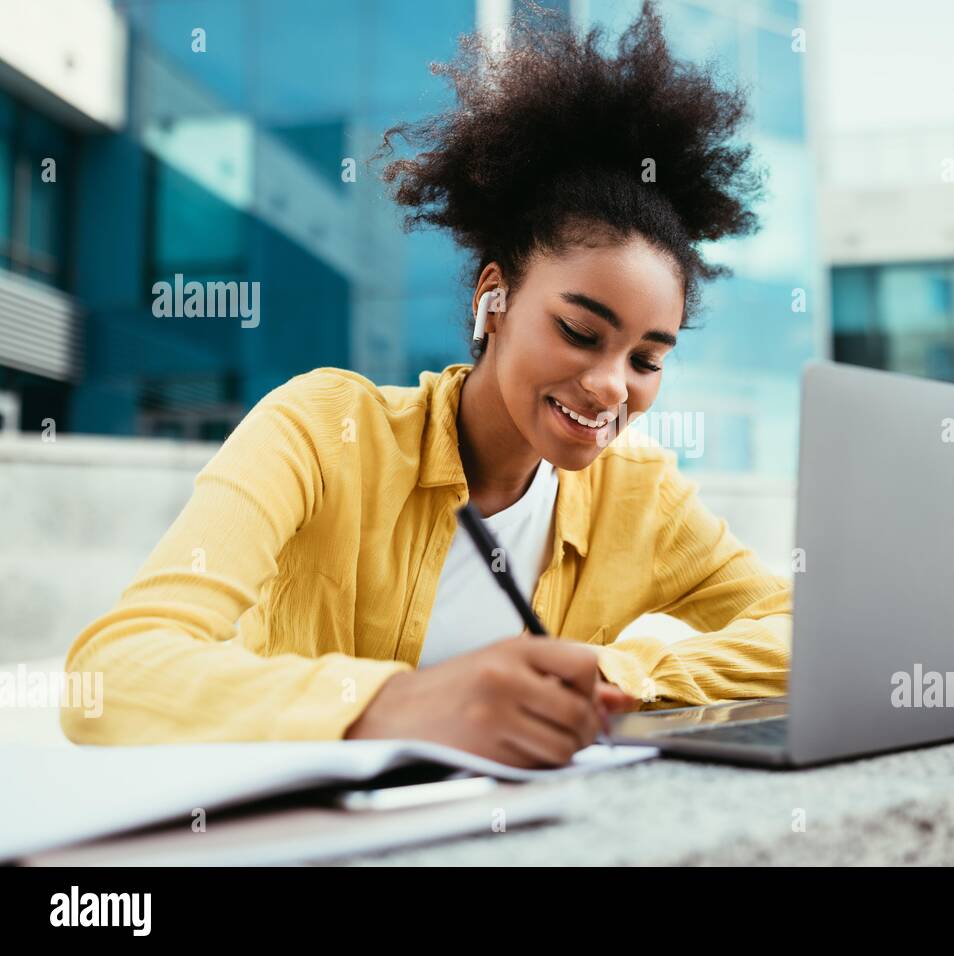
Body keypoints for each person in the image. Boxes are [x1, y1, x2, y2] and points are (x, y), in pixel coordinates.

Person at [62, 0, 791, 768]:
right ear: (494, 298)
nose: (612, 386)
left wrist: (612, 677)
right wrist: (398, 704)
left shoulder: (639, 495)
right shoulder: (320, 431)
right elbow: (111, 677)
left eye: (647, 359)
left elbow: (811, 632)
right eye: (580, 332)